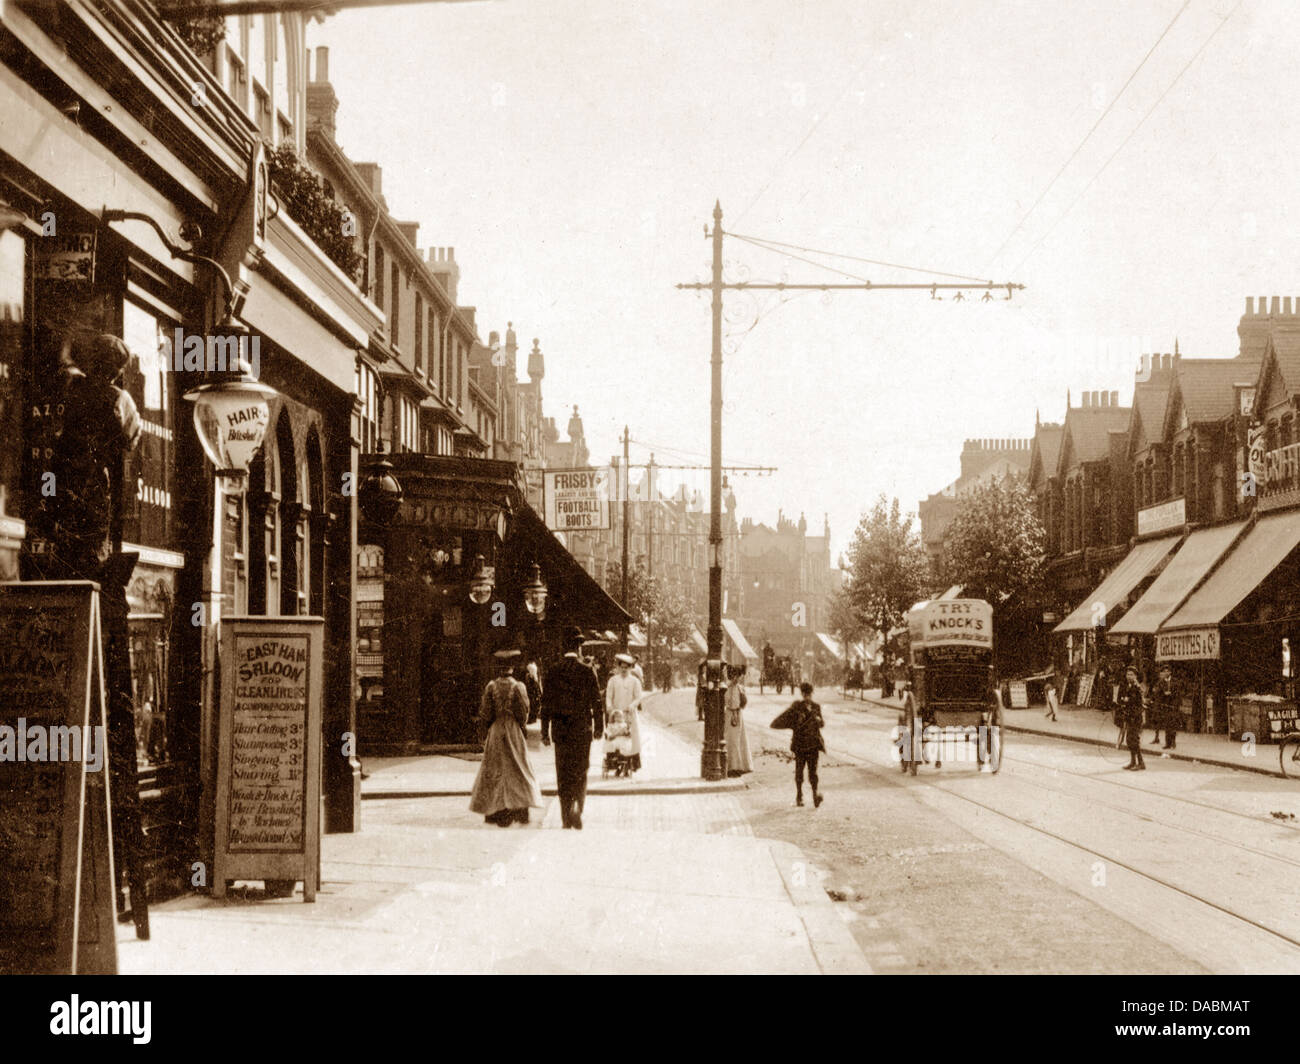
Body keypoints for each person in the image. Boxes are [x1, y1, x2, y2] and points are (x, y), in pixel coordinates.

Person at [469, 649, 543, 826]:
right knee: (517, 766)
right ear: (512, 667)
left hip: (496, 730)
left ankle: (495, 810)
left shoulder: (491, 686)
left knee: (494, 768)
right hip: (512, 730)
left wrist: (487, 727)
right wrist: (520, 725)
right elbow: (524, 711)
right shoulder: (518, 686)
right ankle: (519, 808)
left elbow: (485, 712)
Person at [541, 627, 603, 829]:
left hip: (560, 731)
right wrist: (599, 727)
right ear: (579, 647)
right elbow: (597, 702)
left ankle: (566, 816)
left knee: (563, 772)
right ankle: (578, 806)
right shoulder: (587, 671)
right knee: (581, 770)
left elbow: (546, 704)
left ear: (563, 646)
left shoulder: (553, 671)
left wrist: (544, 731)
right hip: (582, 730)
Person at [770, 682, 825, 807]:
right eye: (805, 694)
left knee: (813, 773)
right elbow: (783, 720)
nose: (807, 697)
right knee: (799, 772)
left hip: (813, 745)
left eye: (809, 694)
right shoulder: (796, 707)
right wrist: (796, 721)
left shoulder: (816, 707)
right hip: (800, 745)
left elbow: (822, 724)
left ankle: (815, 795)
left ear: (812, 694)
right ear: (802, 694)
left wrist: (819, 720)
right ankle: (799, 795)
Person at [604, 653, 645, 776]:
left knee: (630, 738)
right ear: (618, 667)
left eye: (626, 667)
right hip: (615, 715)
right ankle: (615, 764)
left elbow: (638, 697)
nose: (623, 669)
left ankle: (629, 765)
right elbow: (609, 696)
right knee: (615, 737)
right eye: (621, 667)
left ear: (630, 668)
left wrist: (632, 706)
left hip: (629, 714)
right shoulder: (613, 680)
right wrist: (610, 707)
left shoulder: (635, 681)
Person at [724, 664, 753, 776]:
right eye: (735, 676)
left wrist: (741, 702)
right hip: (729, 715)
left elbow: (744, 703)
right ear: (732, 676)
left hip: (738, 715)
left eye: (738, 676)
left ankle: (738, 766)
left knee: (738, 740)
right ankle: (730, 766)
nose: (737, 678)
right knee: (730, 739)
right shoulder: (726, 687)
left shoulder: (740, 688)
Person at [1119, 665, 1147, 771]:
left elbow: (1137, 704)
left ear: (1135, 676)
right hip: (1130, 717)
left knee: (1134, 740)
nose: (1129, 676)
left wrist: (1126, 701)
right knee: (1130, 740)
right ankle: (1133, 761)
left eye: (1131, 675)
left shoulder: (1136, 687)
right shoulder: (1129, 686)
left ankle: (1141, 762)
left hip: (1135, 718)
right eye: (1127, 674)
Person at [1150, 663, 1178, 750]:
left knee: (1172, 725)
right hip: (1165, 705)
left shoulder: (1175, 682)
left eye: (1167, 671)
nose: (1166, 673)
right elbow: (1157, 693)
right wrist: (1163, 694)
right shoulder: (1161, 682)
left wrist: (1172, 694)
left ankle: (1173, 742)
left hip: (1173, 705)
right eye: (1164, 671)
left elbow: (1178, 693)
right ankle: (1168, 743)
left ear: (1170, 672)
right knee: (1167, 725)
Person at [523, 660, 543, 726]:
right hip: (532, 693)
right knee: (533, 705)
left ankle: (532, 718)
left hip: (531, 693)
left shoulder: (529, 676)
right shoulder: (533, 677)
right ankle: (532, 718)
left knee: (533, 705)